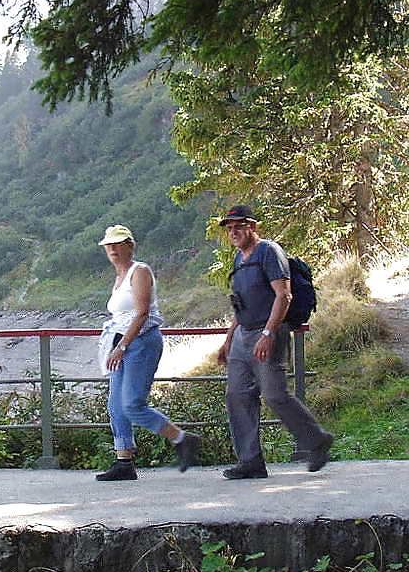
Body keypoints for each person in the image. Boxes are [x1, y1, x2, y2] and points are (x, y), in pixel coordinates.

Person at [216, 205, 334, 479]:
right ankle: (250, 462)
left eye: (239, 226)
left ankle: (316, 441)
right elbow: (239, 306)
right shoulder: (239, 259)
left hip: (268, 333)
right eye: (229, 228)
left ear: (252, 227)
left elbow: (284, 296)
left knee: (273, 394)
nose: (233, 231)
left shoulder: (269, 252)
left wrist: (269, 333)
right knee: (237, 396)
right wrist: (227, 341)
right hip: (243, 335)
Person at [95, 224, 201, 481]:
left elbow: (142, 313)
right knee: (116, 406)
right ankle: (124, 462)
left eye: (118, 243)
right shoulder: (119, 277)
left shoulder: (139, 271)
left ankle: (183, 439)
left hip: (140, 342)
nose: (112, 249)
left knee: (132, 404)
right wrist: (117, 345)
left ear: (130, 245)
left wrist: (122, 347)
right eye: (109, 245)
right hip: (122, 342)